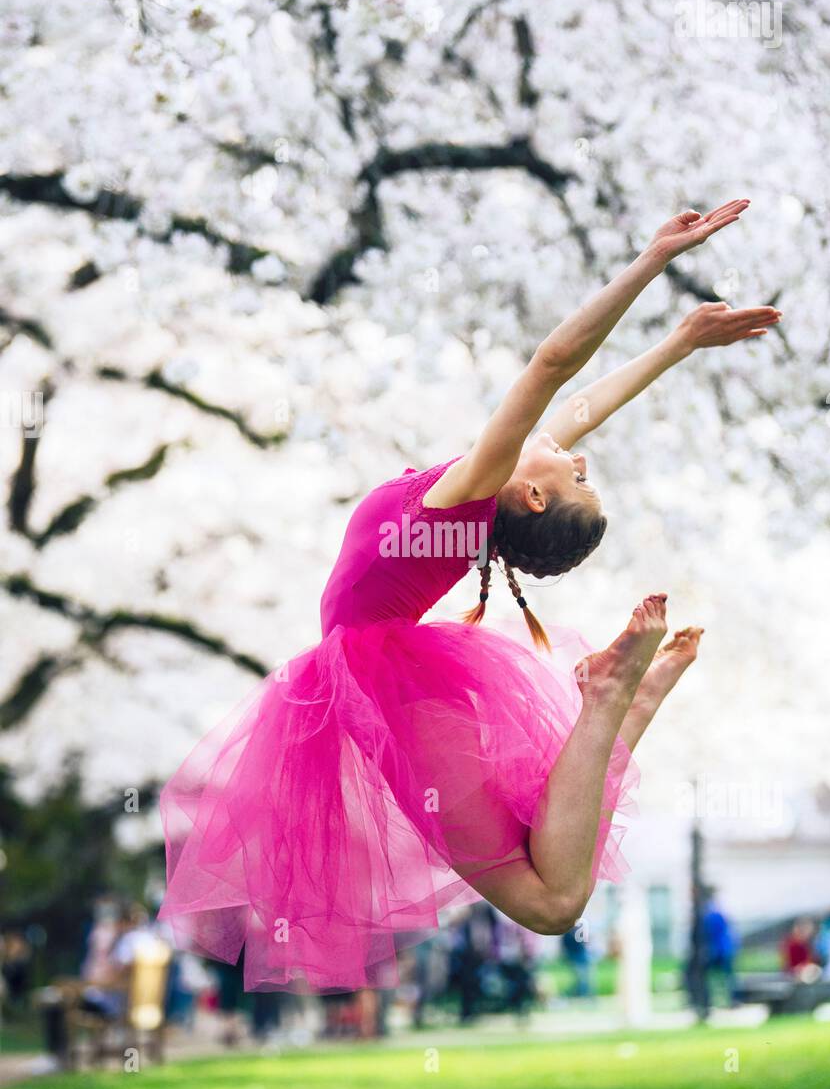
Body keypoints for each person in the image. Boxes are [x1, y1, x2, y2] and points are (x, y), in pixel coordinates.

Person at [158, 198, 781, 993]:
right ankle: (623, 697)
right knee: (548, 884)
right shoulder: (476, 493)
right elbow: (584, 404)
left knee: (550, 899)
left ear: (528, 497)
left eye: (578, 476)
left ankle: (618, 698)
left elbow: (554, 365)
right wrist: (678, 342)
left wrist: (654, 258)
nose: (576, 454)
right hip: (383, 682)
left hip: (385, 690)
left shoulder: (473, 493)